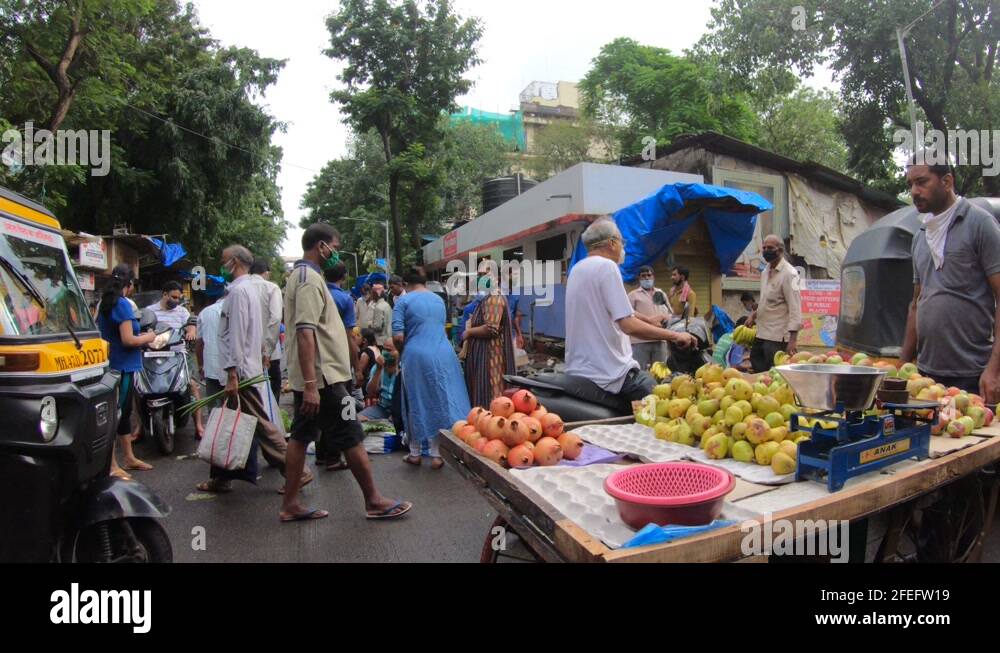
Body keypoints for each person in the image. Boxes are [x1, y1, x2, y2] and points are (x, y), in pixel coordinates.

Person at [283, 223, 411, 521]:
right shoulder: (307, 279)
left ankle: (289, 504)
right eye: (334, 246)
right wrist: (312, 384)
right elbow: (305, 332)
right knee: (351, 434)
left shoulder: (307, 277)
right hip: (324, 379)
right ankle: (374, 500)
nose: (335, 253)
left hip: (319, 377)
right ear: (321, 246)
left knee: (301, 437)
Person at [196, 246, 310, 494]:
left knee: (261, 427)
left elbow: (236, 334)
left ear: (235, 262)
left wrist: (233, 373)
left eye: (224, 260)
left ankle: (298, 472)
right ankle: (221, 477)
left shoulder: (239, 293)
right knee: (236, 422)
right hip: (249, 367)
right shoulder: (247, 290)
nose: (222, 264)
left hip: (243, 371)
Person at [900, 150, 1000, 401]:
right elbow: (916, 304)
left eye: (921, 182)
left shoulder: (980, 224)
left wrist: (994, 370)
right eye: (910, 184)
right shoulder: (920, 237)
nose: (914, 191)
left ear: (946, 181)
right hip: (925, 377)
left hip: (973, 375)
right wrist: (902, 365)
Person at [565, 218, 697, 405]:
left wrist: (649, 321)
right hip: (610, 374)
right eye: (622, 242)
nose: (623, 248)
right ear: (612, 243)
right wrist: (674, 336)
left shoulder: (577, 270)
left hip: (577, 371)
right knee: (662, 401)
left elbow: (616, 311)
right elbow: (628, 325)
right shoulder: (607, 267)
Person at [393, 269, 471, 469]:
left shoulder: (403, 302)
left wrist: (401, 352)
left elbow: (398, 337)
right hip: (443, 353)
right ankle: (437, 454)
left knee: (415, 400)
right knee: (439, 399)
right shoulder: (438, 300)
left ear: (405, 283)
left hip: (416, 355)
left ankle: (415, 453)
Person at [96, 266, 158, 479]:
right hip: (121, 368)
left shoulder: (105, 303)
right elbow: (128, 339)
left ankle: (129, 458)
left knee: (123, 415)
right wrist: (149, 338)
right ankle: (111, 465)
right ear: (129, 284)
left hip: (114, 365)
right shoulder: (121, 304)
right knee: (116, 415)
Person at [145, 281, 204, 438]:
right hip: (153, 356)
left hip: (178, 355)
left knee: (192, 385)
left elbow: (191, 324)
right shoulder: (150, 311)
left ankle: (199, 426)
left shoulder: (182, 311)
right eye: (173, 297)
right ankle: (137, 429)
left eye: (179, 298)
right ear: (164, 294)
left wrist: (191, 331)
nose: (176, 301)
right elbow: (142, 328)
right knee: (139, 387)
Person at [321, 262, 363, 472]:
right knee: (346, 410)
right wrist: (358, 367)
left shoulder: (316, 294)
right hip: (339, 365)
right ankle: (335, 456)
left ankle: (323, 453)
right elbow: (349, 337)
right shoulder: (344, 299)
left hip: (317, 364)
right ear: (344, 277)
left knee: (323, 410)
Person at [745, 235, 802, 373]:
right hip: (762, 333)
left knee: (775, 374)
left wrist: (793, 340)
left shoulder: (790, 274)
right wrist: (754, 315)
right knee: (758, 368)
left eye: (770, 248)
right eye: (764, 248)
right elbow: (765, 300)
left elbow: (795, 308)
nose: (765, 250)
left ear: (780, 250)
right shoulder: (765, 272)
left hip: (777, 337)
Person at [462, 263, 515, 408]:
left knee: (491, 394)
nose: (481, 278)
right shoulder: (485, 297)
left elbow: (491, 329)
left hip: (491, 358)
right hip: (484, 356)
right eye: (479, 275)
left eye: (485, 274)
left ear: (496, 278)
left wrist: (469, 332)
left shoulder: (493, 297)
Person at [248, 259, 284, 408]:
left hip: (246, 353)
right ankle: (271, 423)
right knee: (271, 392)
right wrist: (268, 351)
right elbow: (276, 318)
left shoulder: (238, 288)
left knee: (250, 392)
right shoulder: (271, 288)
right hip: (269, 353)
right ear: (266, 272)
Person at [628, 265, 673, 370]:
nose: (647, 278)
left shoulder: (660, 293)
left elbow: (670, 313)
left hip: (660, 339)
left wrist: (664, 318)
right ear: (639, 278)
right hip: (640, 341)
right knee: (641, 372)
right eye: (643, 276)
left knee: (661, 373)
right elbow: (628, 314)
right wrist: (649, 321)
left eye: (649, 275)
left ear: (653, 277)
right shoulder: (633, 295)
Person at [195, 291, 226, 415]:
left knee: (213, 407)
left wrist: (201, 365)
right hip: (235, 369)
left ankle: (214, 432)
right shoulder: (238, 309)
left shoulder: (205, 312)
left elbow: (199, 343)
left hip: (211, 367)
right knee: (233, 407)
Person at [359, 348, 399, 422]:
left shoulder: (404, 367)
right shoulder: (377, 367)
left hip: (400, 410)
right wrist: (378, 369)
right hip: (382, 408)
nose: (385, 352)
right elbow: (370, 392)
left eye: (389, 350)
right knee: (357, 419)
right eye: (384, 349)